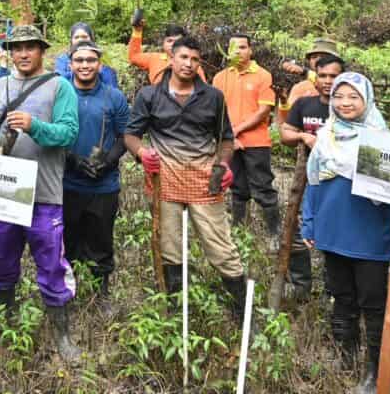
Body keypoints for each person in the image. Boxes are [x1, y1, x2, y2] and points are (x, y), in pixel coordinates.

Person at [302, 72, 390, 394]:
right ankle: (345, 354)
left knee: (372, 301)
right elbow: (313, 183)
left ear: (367, 100)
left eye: (353, 97)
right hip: (332, 227)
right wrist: (309, 221)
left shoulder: (385, 142)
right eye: (339, 96)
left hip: (369, 232)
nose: (344, 103)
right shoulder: (326, 135)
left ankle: (374, 369)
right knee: (340, 295)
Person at [0, 25, 82, 361]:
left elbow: (69, 133)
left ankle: (61, 335)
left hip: (44, 193)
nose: (22, 54)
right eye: (16, 48)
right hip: (6, 191)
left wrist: (34, 126)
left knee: (51, 264)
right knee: (2, 259)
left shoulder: (59, 86)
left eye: (29, 47)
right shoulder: (0, 85)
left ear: (42, 50)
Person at [124, 37, 248, 316]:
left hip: (205, 180)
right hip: (164, 181)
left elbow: (226, 139)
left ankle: (241, 312)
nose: (189, 64)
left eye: (194, 59)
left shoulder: (213, 97)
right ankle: (177, 311)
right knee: (170, 249)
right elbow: (130, 135)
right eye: (183, 58)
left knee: (221, 248)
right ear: (171, 58)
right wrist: (142, 152)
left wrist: (224, 165)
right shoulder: (149, 95)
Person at [61, 40, 130, 315]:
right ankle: (69, 293)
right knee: (69, 240)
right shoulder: (62, 94)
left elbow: (126, 135)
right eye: (79, 60)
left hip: (104, 184)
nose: (85, 65)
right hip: (68, 181)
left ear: (99, 64)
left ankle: (101, 295)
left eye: (90, 60)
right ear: (71, 65)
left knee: (101, 240)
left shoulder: (114, 97)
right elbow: (53, 133)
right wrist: (73, 160)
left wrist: (108, 160)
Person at [278, 54, 345, 301]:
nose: (328, 81)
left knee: (335, 234)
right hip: (309, 182)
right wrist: (304, 137)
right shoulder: (305, 106)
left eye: (334, 76)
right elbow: (285, 135)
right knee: (300, 231)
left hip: (340, 184)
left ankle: (334, 291)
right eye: (323, 75)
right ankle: (302, 286)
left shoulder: (348, 108)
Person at [212, 33, 280, 250]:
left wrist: (236, 131)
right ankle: (239, 233)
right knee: (237, 188)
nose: (238, 52)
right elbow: (216, 110)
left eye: (242, 47)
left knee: (263, 188)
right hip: (230, 144)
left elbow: (263, 111)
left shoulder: (263, 76)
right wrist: (229, 138)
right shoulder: (220, 77)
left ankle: (274, 235)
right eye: (233, 47)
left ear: (251, 50)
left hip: (256, 142)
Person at [128, 19, 207, 84]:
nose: (173, 44)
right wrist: (137, 31)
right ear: (163, 43)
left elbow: (203, 92)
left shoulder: (191, 64)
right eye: (169, 41)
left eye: (177, 41)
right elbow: (134, 57)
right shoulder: (154, 58)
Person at [279, 37, 344, 115]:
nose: (318, 60)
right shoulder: (300, 88)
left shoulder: (344, 85)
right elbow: (287, 120)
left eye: (323, 56)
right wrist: (284, 102)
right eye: (314, 57)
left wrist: (303, 72)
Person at [53, 22, 119, 88]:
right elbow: (59, 81)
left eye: (84, 37)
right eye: (76, 37)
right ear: (71, 40)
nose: (80, 40)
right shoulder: (63, 59)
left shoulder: (101, 57)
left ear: (91, 39)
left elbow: (110, 83)